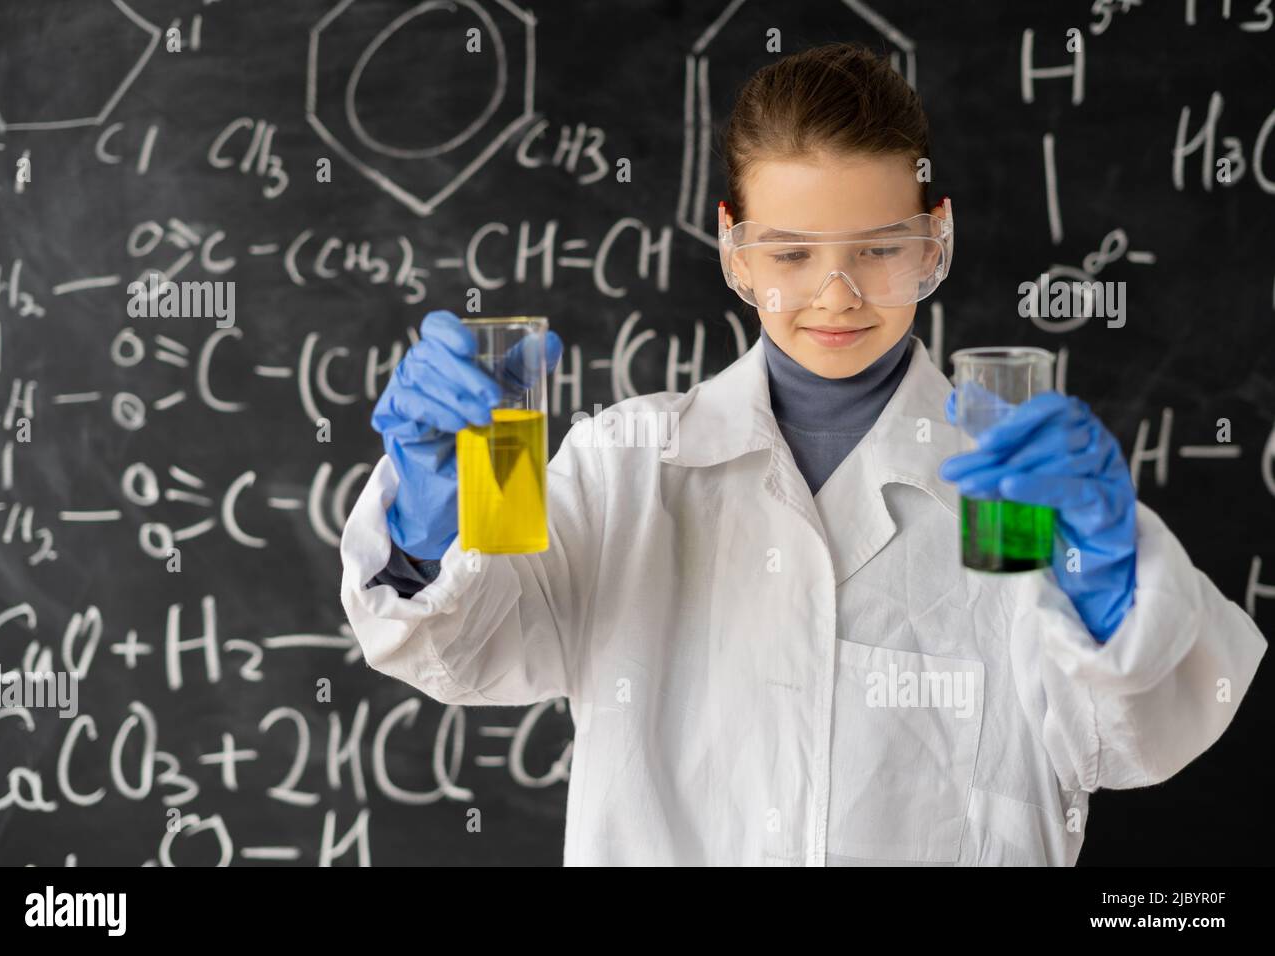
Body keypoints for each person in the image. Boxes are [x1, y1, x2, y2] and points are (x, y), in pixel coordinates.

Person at [340, 43, 1266, 865]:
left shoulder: (1015, 487)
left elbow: (1136, 741)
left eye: (880, 249)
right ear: (733, 249)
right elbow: (463, 652)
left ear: (936, 236)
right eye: (789, 256)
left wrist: (1106, 579)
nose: (837, 295)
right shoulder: (623, 467)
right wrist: (431, 509)